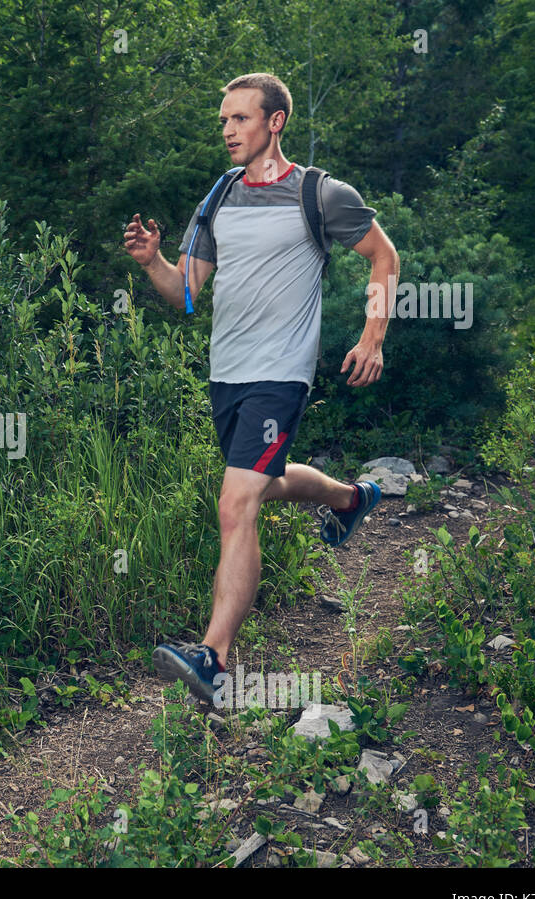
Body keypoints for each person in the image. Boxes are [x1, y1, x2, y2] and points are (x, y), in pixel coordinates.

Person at [122, 72, 400, 704]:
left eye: (239, 119)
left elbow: (384, 256)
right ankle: (350, 500)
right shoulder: (219, 197)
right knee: (265, 485)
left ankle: (213, 659)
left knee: (235, 502)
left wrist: (373, 336)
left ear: (274, 122)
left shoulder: (320, 194)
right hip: (228, 375)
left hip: (281, 373)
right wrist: (153, 265)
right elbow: (187, 292)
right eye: (223, 120)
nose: (227, 131)